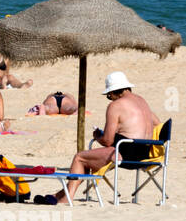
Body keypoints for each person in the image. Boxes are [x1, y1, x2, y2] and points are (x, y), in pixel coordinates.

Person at [37, 71, 159, 205]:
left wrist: (98, 136)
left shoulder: (115, 106)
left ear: (113, 92)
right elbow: (157, 124)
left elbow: (107, 141)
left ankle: (67, 197)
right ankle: (60, 194)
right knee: (88, 160)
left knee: (80, 158)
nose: (110, 99)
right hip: (146, 154)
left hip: (125, 154)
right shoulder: (142, 101)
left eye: (109, 96)